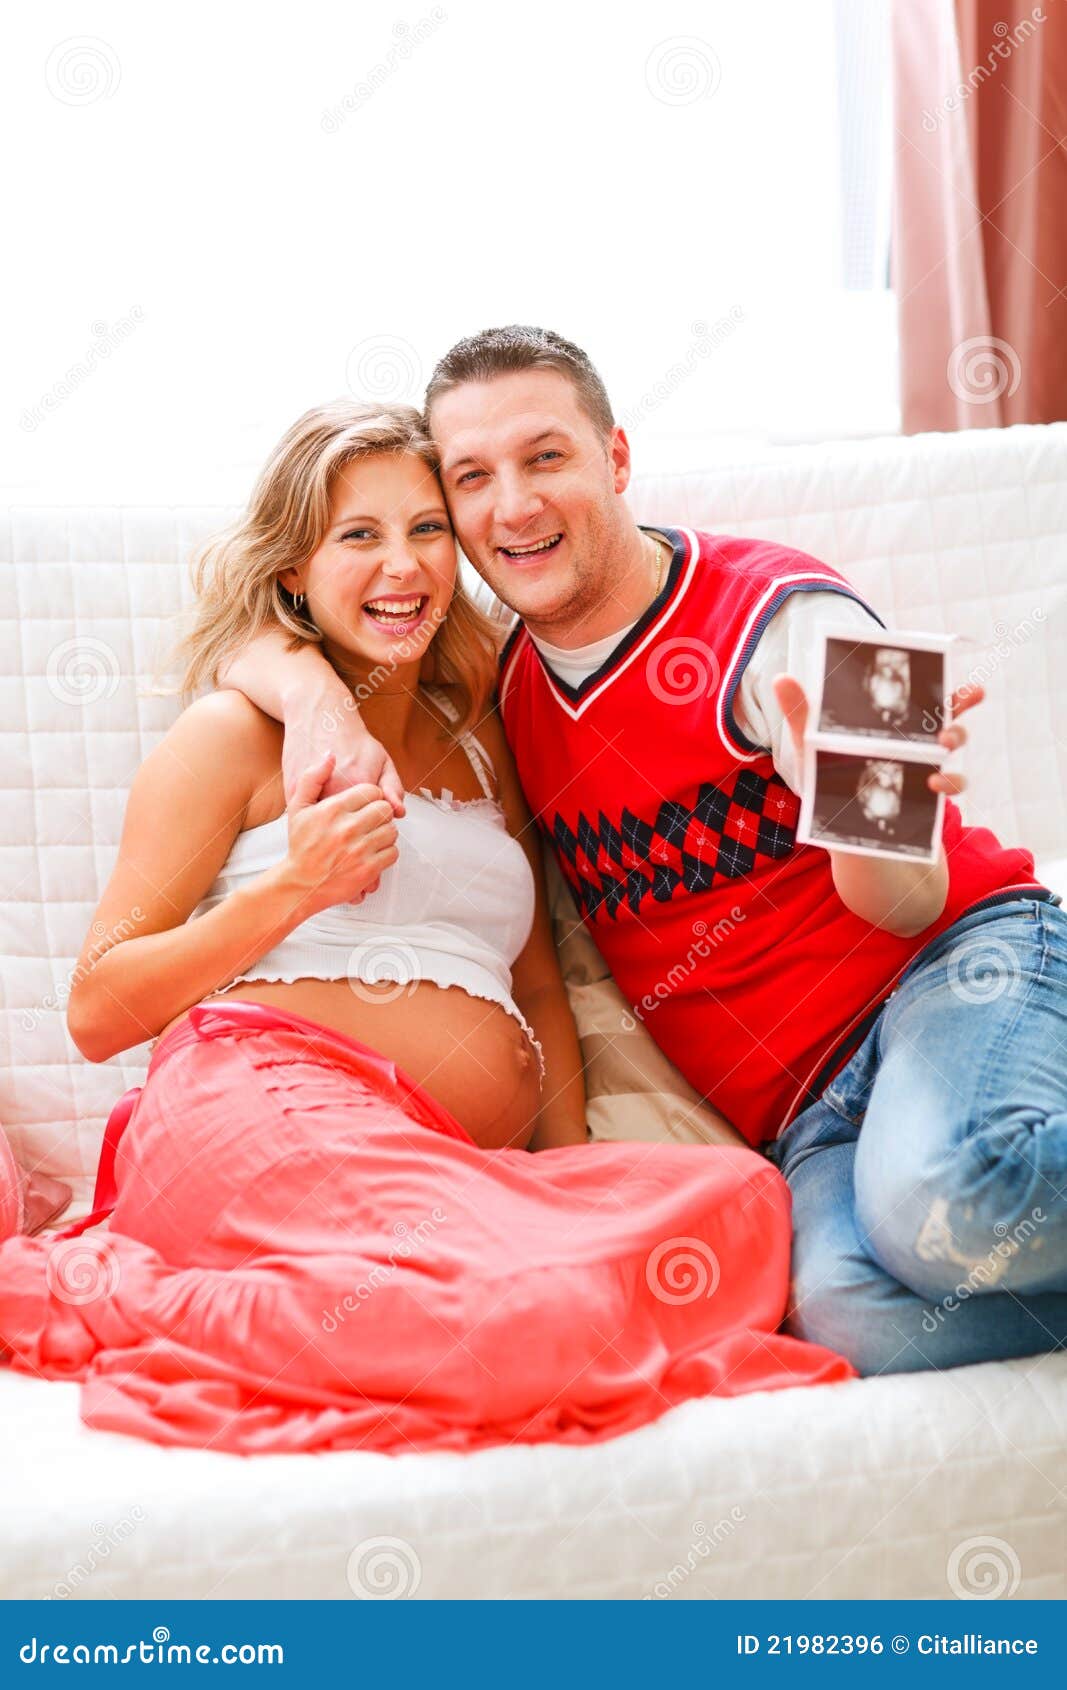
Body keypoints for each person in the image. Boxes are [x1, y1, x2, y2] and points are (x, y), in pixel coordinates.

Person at [0, 400, 852, 1454]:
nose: (400, 566)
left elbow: (536, 987)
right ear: (292, 575)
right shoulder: (231, 736)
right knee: (515, 1322)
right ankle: (76, 1293)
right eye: (357, 535)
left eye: (426, 529)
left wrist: (560, 1174)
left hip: (441, 1162)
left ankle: (495, 1278)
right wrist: (295, 888)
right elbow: (96, 1007)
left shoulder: (490, 738)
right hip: (261, 1099)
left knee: (737, 1200)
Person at [217, 328, 1067, 1378]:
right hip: (800, 1110)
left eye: (545, 458)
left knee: (947, 1203)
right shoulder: (500, 683)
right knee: (848, 1316)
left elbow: (908, 900)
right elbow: (258, 620)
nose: (512, 505)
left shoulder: (799, 613)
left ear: (614, 460)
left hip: (956, 973)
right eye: (471, 478)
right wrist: (309, 700)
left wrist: (845, 812)